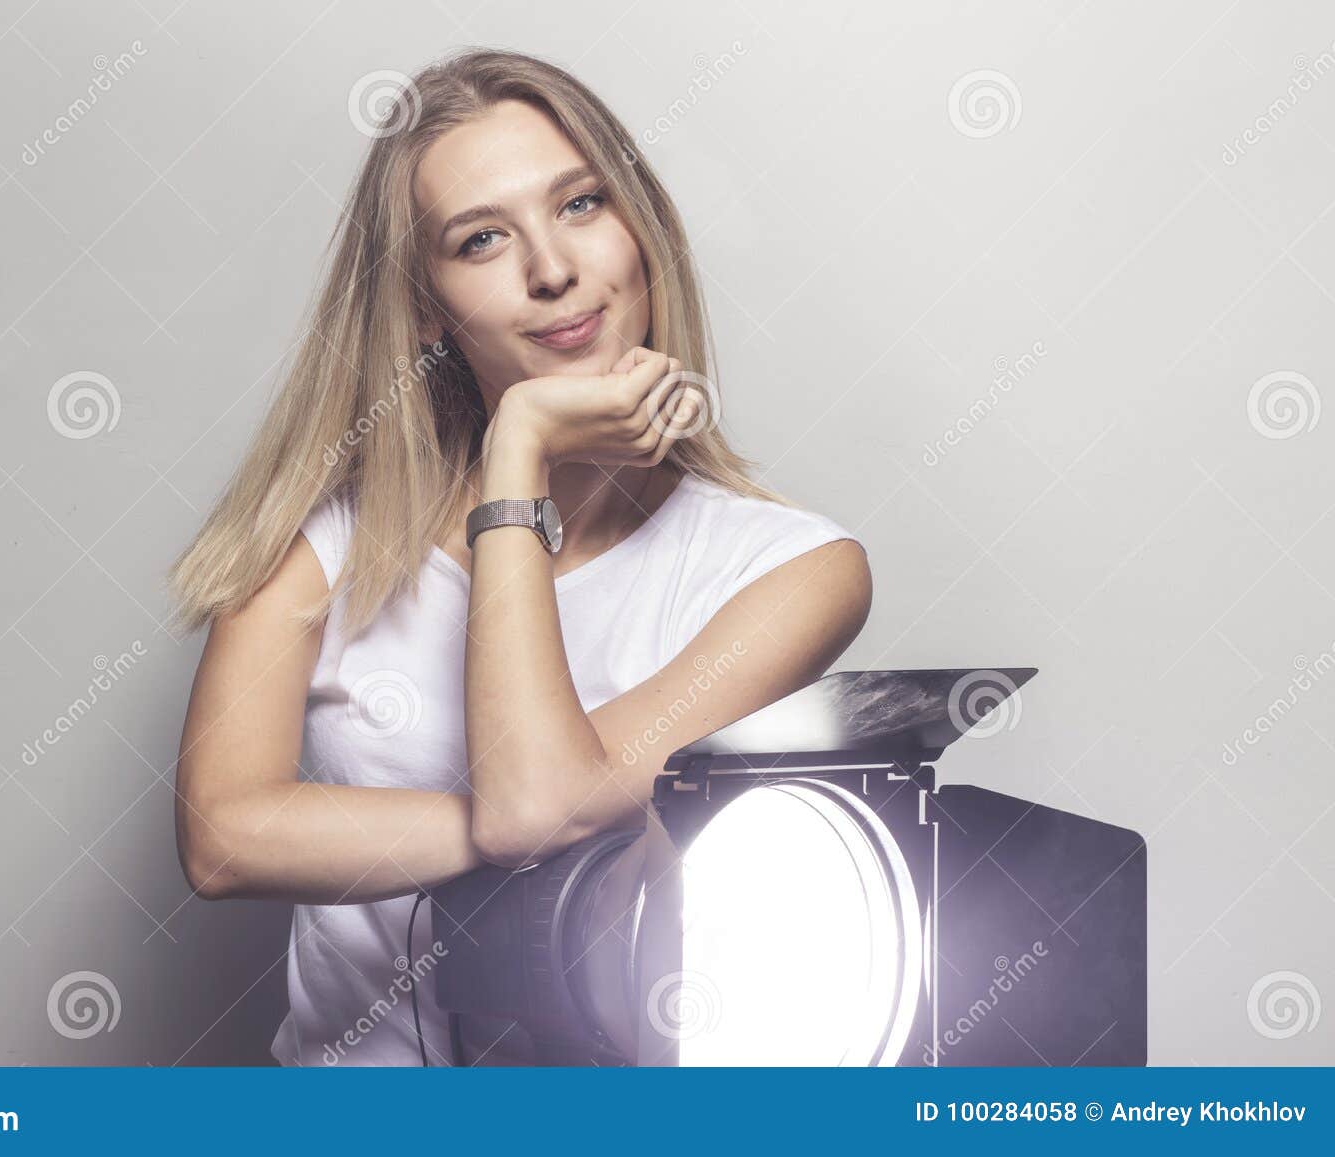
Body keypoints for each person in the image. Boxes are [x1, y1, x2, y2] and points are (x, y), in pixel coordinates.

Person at [165, 47, 872, 1066]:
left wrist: (518, 453)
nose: (550, 269)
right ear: (427, 310)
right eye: (482, 238)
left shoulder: (793, 570)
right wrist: (517, 456)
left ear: (643, 229)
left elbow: (533, 803)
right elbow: (222, 838)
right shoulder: (319, 544)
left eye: (581, 204)